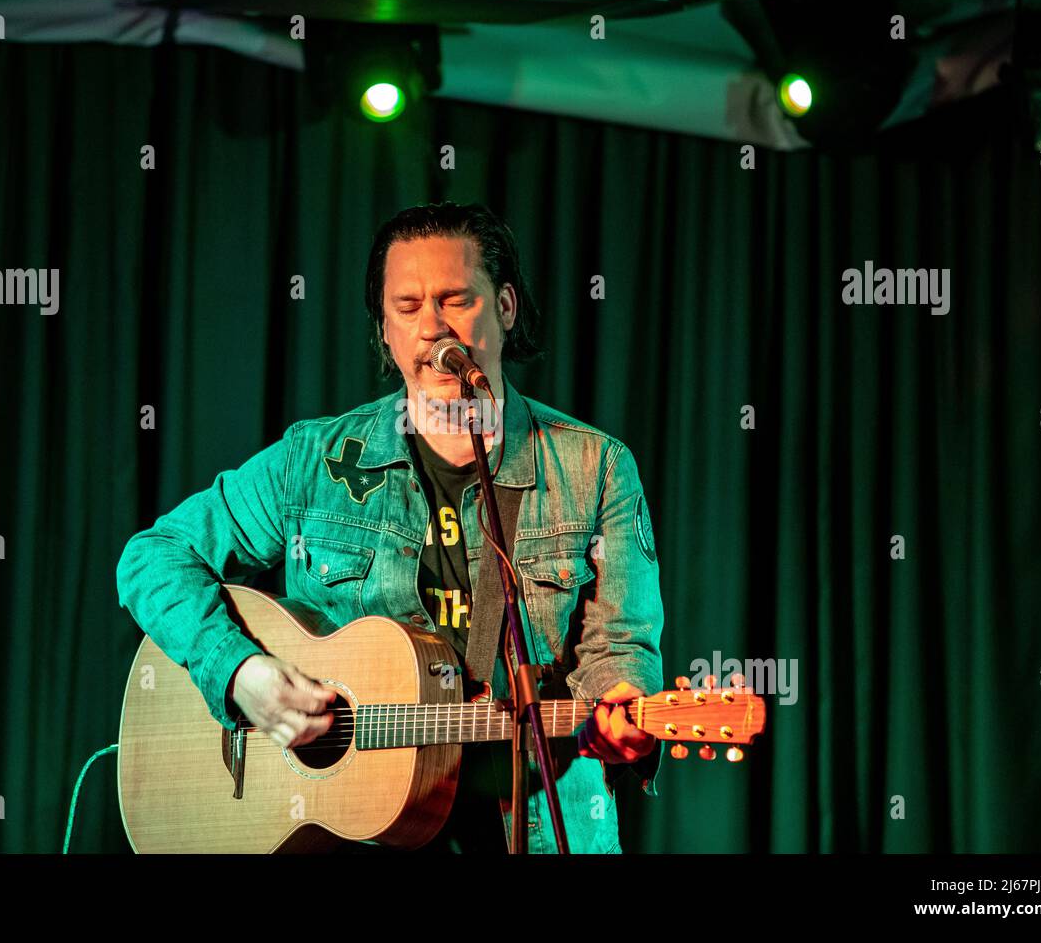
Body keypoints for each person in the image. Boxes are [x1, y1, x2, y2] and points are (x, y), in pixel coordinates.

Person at [116, 201, 665, 853]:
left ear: (507, 308)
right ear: (384, 329)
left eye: (455, 299)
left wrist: (624, 706)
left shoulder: (595, 467)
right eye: (407, 308)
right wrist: (241, 675)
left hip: (538, 826)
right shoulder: (312, 461)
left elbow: (620, 645)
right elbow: (153, 556)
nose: (433, 326)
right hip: (346, 836)